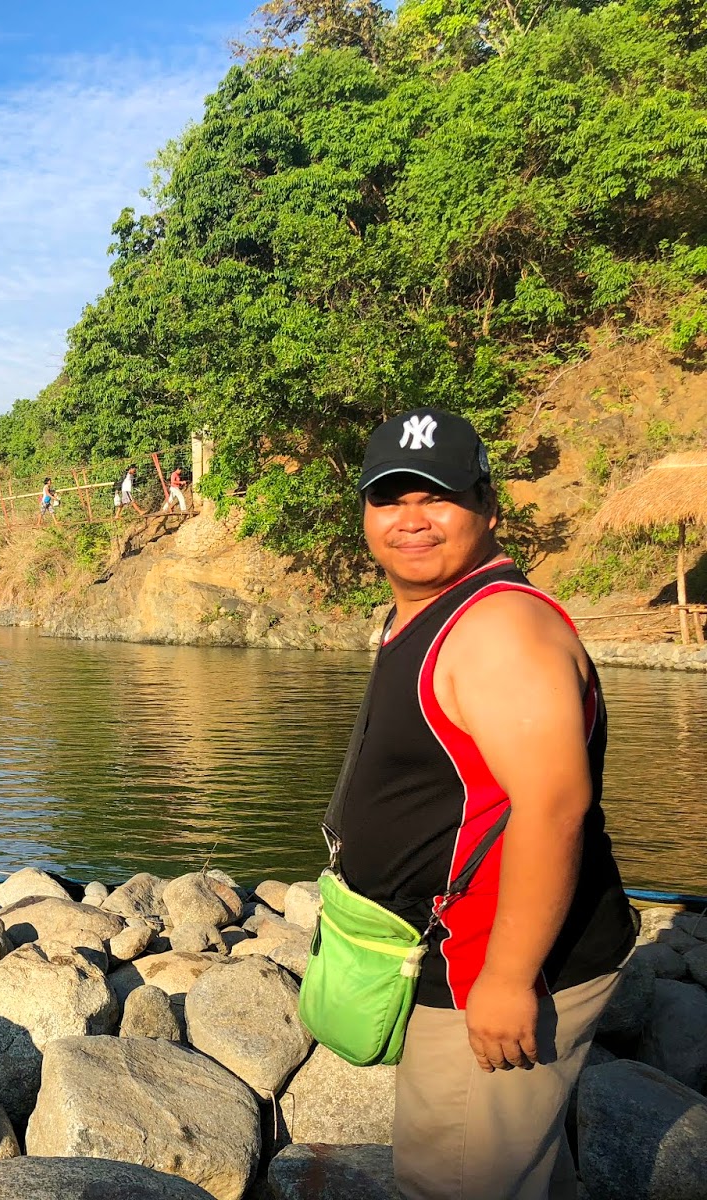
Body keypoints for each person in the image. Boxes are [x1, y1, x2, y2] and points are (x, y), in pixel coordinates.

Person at [332, 408, 634, 1200]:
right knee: (517, 1172)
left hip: (489, 963)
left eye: (437, 497)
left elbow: (554, 809)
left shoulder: (499, 628)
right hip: (448, 945)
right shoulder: (427, 613)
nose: (410, 521)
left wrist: (505, 980)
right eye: (389, 498)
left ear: (488, 506)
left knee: (456, 1179)